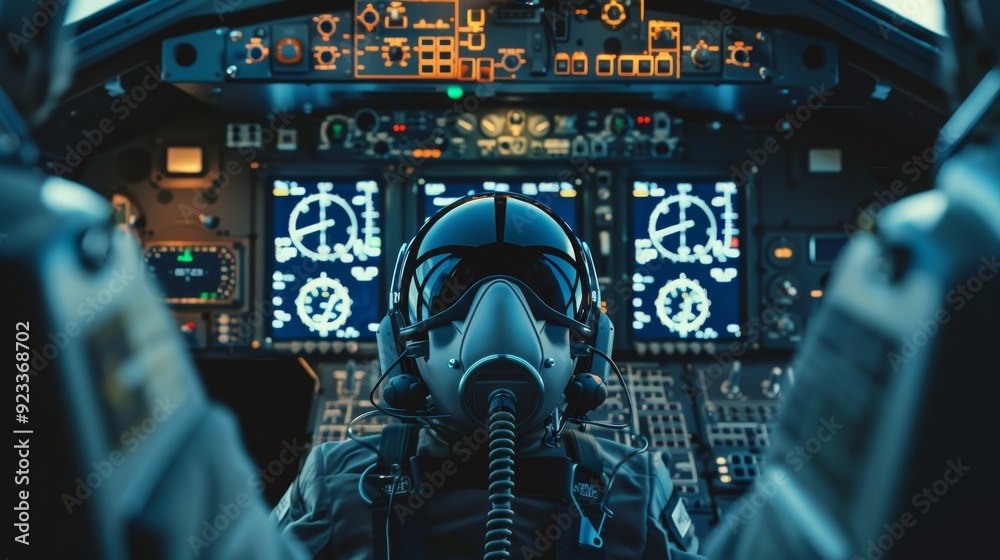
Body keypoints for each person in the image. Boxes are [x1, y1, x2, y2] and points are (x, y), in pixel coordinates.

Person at [271, 193, 704, 560]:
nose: (499, 319)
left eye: (541, 298)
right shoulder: (637, 485)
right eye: (458, 299)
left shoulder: (337, 479)